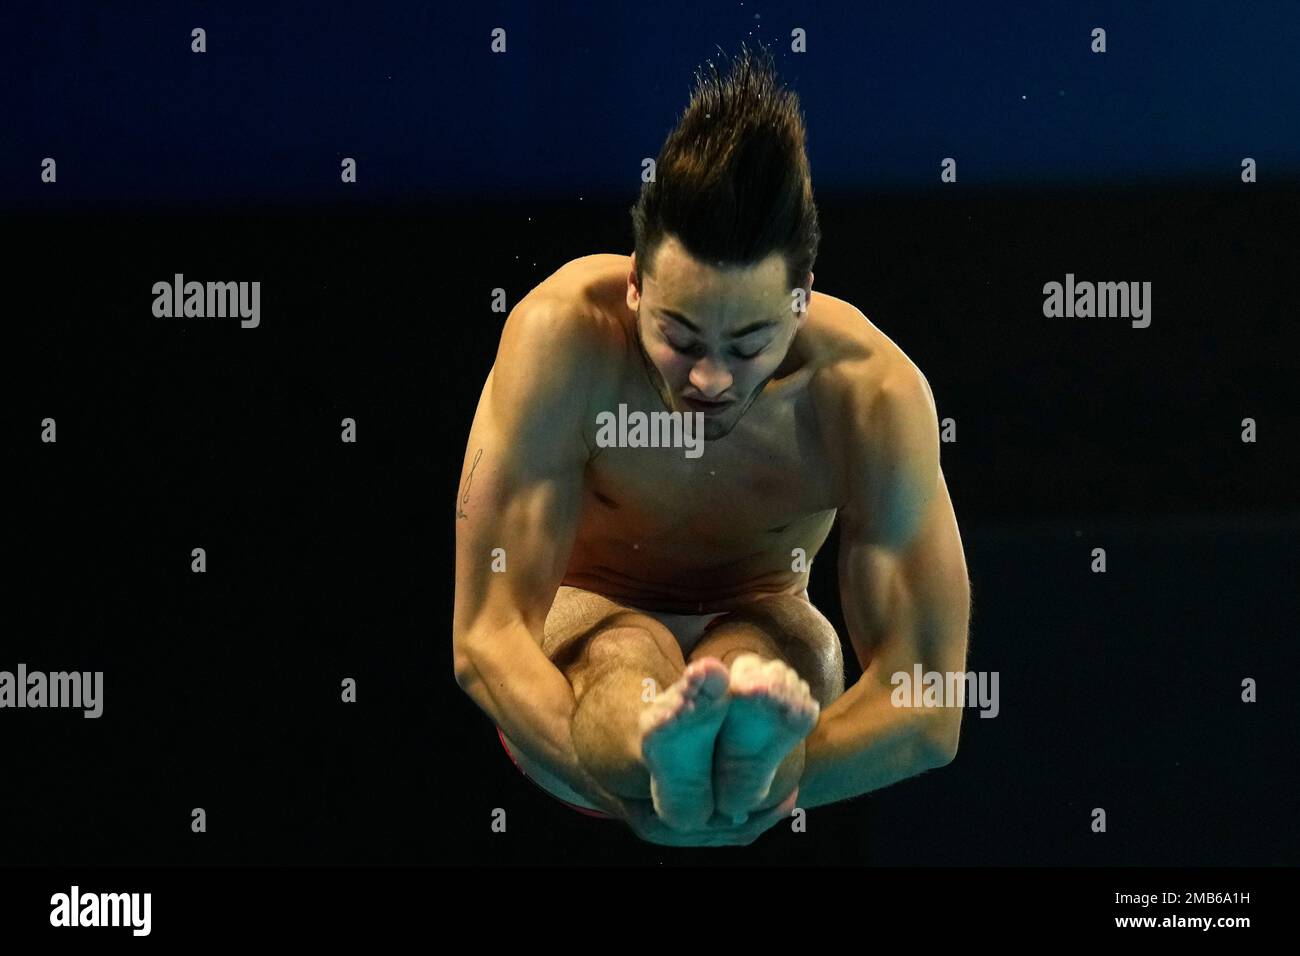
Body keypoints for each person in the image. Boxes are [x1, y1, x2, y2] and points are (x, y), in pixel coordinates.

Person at [453, 45, 970, 847]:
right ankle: (666, 738)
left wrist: (757, 794)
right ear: (635, 285)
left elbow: (930, 701)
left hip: (763, 610)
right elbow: (485, 638)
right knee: (625, 655)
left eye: (750, 342)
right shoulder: (563, 339)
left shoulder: (871, 396)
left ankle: (720, 732)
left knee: (772, 660)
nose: (711, 379)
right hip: (588, 626)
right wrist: (653, 798)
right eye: (679, 335)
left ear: (801, 304)